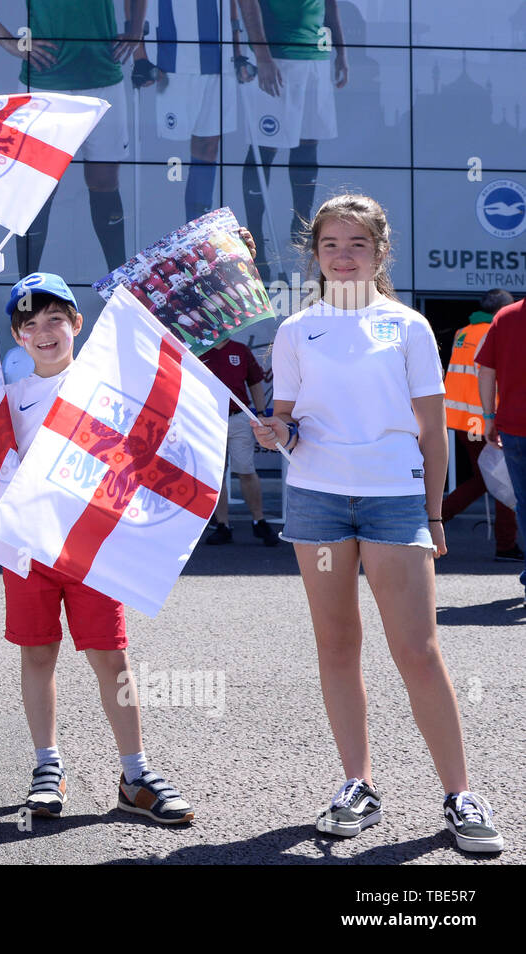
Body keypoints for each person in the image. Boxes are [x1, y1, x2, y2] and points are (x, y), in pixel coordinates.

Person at [252, 193, 502, 853]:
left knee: (417, 650)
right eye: (330, 244)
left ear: (380, 252)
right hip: (317, 501)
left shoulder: (408, 326)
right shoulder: (296, 329)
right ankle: (357, 785)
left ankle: (460, 795)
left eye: (356, 244)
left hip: (394, 501)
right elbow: (288, 426)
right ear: (316, 254)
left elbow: (431, 430)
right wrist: (273, 430)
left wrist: (436, 515)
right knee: (338, 647)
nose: (342, 255)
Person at [0, 272, 195, 822]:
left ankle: (135, 774)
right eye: (29, 324)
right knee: (37, 653)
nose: (45, 331)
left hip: (91, 548)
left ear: (78, 324)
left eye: (56, 318)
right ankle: (47, 767)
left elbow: (167, 371)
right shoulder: (10, 398)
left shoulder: (107, 385)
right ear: (18, 338)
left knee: (111, 656)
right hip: (28, 550)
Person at [0, 0, 146, 275]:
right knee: (38, 191)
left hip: (103, 76)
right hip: (43, 84)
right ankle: (27, 296)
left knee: (105, 182)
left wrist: (136, 30)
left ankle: (119, 288)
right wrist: (7, 42)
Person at [236, 0, 348, 281]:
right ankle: (256, 238)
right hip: (279, 57)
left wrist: (341, 53)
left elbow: (330, 7)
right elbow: (248, 7)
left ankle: (301, 225)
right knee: (266, 144)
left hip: (317, 58)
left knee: (309, 142)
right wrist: (262, 56)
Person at [134, 1, 244, 222]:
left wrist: (238, 50)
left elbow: (232, 6)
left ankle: (196, 230)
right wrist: (140, 55)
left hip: (217, 61)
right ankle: (168, 236)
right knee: (169, 152)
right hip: (171, 61)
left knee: (209, 147)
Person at [442, 289, 518, 560]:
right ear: (500, 311)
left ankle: (434, 522)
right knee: (497, 478)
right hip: (482, 420)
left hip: (463, 418)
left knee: (490, 478)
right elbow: (490, 376)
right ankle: (505, 545)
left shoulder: (464, 331)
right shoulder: (493, 331)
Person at [200, 337, 278, 546]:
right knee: (216, 475)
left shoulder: (240, 349)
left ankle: (258, 520)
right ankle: (222, 524)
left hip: (239, 417)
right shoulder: (200, 350)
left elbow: (255, 382)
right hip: (210, 419)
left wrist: (260, 413)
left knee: (246, 470)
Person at [476, 291, 526, 595]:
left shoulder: (505, 317)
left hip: (515, 426)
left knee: (524, 501)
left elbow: (486, 371)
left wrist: (488, 416)